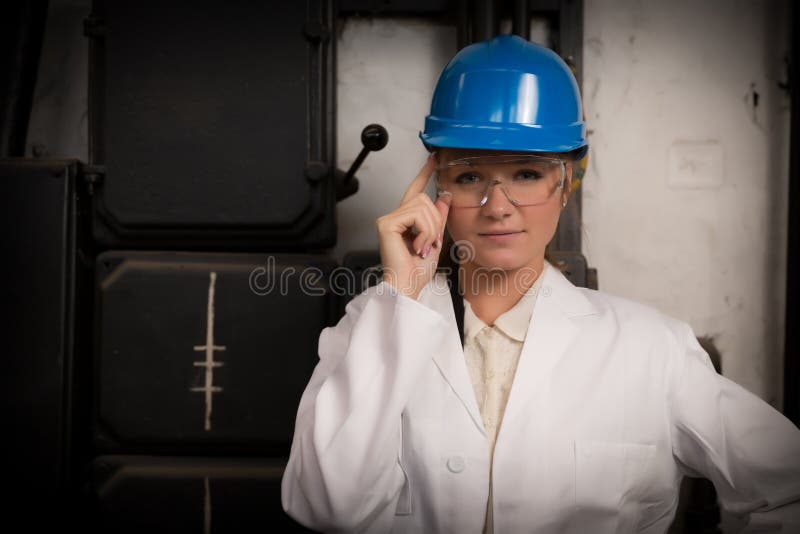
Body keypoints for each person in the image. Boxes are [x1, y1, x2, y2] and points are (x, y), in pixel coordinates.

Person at [281, 35, 800, 533]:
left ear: (566, 184)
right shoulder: (373, 325)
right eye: (470, 177)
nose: (499, 206)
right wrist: (400, 297)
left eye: (527, 174)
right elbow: (327, 508)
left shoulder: (651, 348)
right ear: (436, 188)